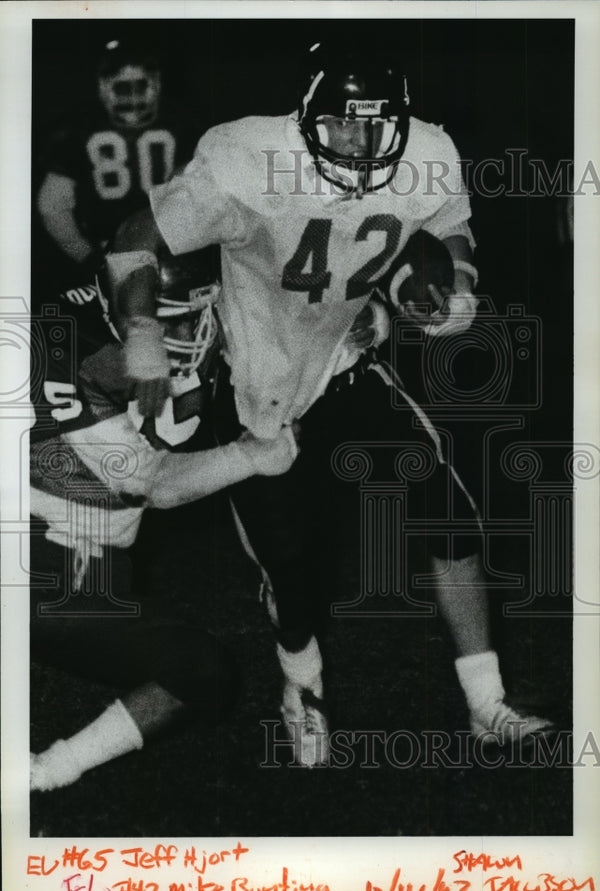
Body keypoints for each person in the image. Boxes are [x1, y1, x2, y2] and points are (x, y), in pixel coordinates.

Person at [108, 41, 555, 767]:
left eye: (374, 125)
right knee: (291, 567)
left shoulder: (427, 153)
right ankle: (303, 686)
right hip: (255, 379)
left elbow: (448, 225)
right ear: (307, 117)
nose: (357, 142)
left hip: (345, 356)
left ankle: (487, 702)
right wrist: (141, 332)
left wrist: (459, 285)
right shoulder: (248, 158)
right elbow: (136, 235)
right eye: (341, 123)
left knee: (447, 509)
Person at [29, 246, 298, 792]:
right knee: (199, 673)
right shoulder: (61, 342)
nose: (190, 332)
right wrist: (248, 457)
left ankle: (41, 773)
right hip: (37, 557)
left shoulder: (112, 326)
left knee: (205, 671)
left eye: (195, 315)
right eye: (170, 318)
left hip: (87, 568)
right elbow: (151, 484)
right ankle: (41, 774)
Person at [34, 35, 201, 298]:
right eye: (123, 88)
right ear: (102, 87)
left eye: (139, 86)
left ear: (157, 83)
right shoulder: (184, 123)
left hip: (162, 251)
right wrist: (90, 259)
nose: (132, 98)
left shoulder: (183, 124)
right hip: (142, 248)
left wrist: (88, 259)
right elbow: (52, 206)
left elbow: (51, 207)